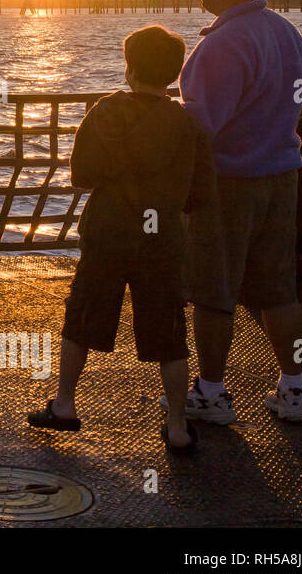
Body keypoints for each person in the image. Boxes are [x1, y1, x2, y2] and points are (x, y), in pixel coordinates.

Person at [29, 25, 215, 453]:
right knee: (168, 330)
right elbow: (200, 193)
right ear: (174, 73)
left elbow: (82, 175)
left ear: (130, 69)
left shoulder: (107, 110)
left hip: (108, 233)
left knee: (83, 317)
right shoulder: (186, 123)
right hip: (162, 240)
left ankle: (65, 404)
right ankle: (178, 426)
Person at [173, 0, 302, 424]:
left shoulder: (221, 44)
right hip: (282, 175)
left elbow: (200, 127)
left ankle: (211, 394)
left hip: (229, 183)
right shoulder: (288, 33)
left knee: (214, 292)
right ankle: (293, 389)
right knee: (280, 291)